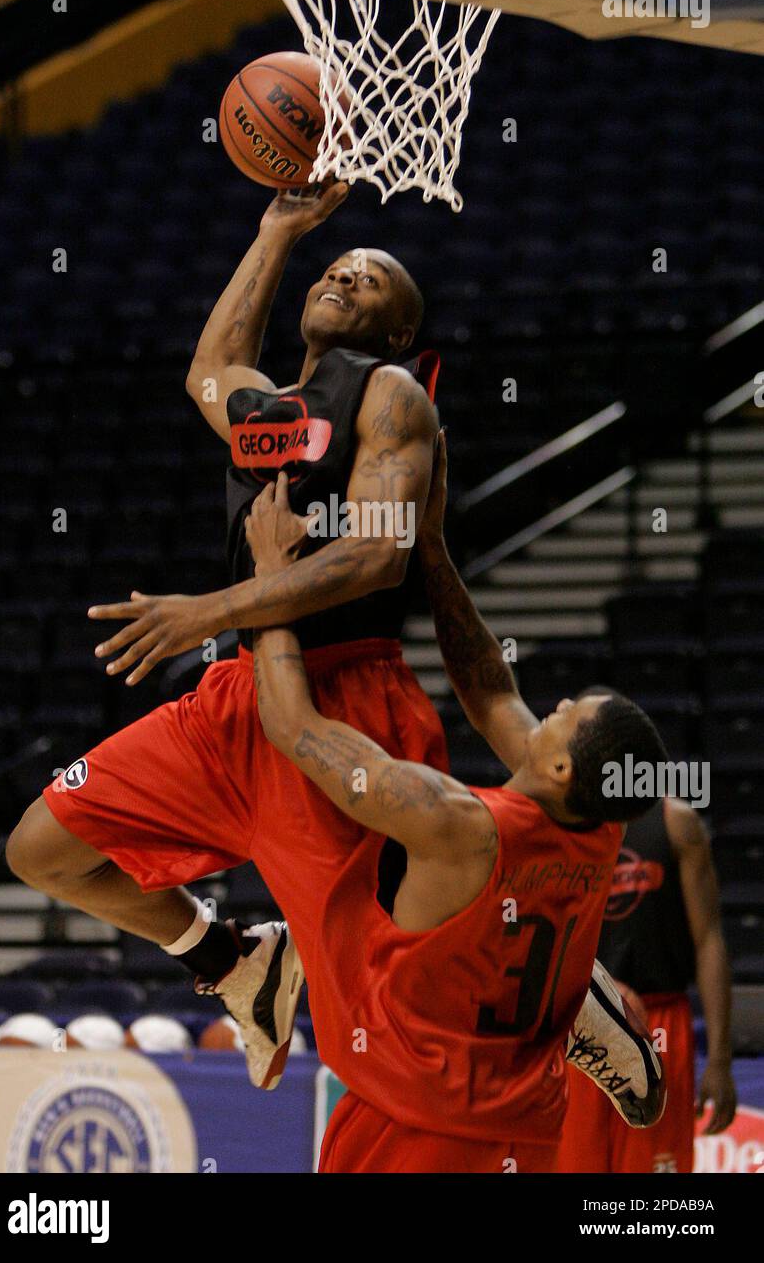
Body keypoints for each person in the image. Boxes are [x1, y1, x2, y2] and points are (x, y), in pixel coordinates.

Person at [6, 182, 448, 1089]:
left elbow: (377, 557)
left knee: (365, 1007)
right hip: (241, 693)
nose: (345, 274)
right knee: (40, 849)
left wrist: (207, 610)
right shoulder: (276, 410)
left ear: (398, 331)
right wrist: (277, 231)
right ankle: (232, 959)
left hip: (341, 704)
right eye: (336, 268)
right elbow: (210, 367)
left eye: (368, 279)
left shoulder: (392, 393)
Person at [245, 435, 668, 1172]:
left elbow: (292, 726)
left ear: (562, 763)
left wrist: (271, 581)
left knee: (346, 877)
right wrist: (432, 548)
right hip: (527, 1125)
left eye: (568, 710)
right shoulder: (598, 826)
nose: (556, 702)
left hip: (416, 1120)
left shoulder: (454, 823)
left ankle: (578, 1005)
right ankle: (582, 1005)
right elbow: (490, 690)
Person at [557, 687, 737, 1173]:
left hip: (660, 1020)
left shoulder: (675, 821)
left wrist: (720, 1058)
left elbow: (709, 939)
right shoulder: (556, 822)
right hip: (580, 1021)